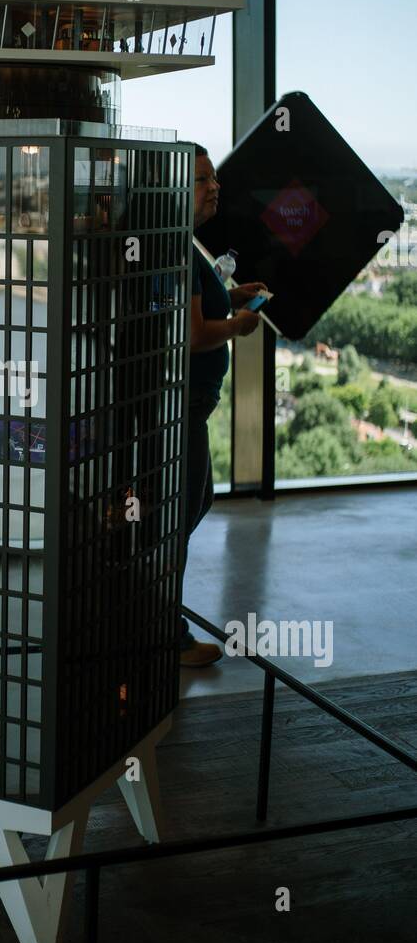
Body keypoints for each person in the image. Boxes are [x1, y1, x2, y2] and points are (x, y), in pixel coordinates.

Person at [180, 145, 267, 667]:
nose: (215, 187)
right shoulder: (178, 248)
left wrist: (232, 299)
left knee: (197, 502)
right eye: (202, 180)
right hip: (184, 406)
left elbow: (196, 311)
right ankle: (164, 631)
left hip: (191, 406)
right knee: (181, 513)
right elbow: (192, 336)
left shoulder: (184, 245)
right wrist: (239, 326)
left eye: (214, 179)